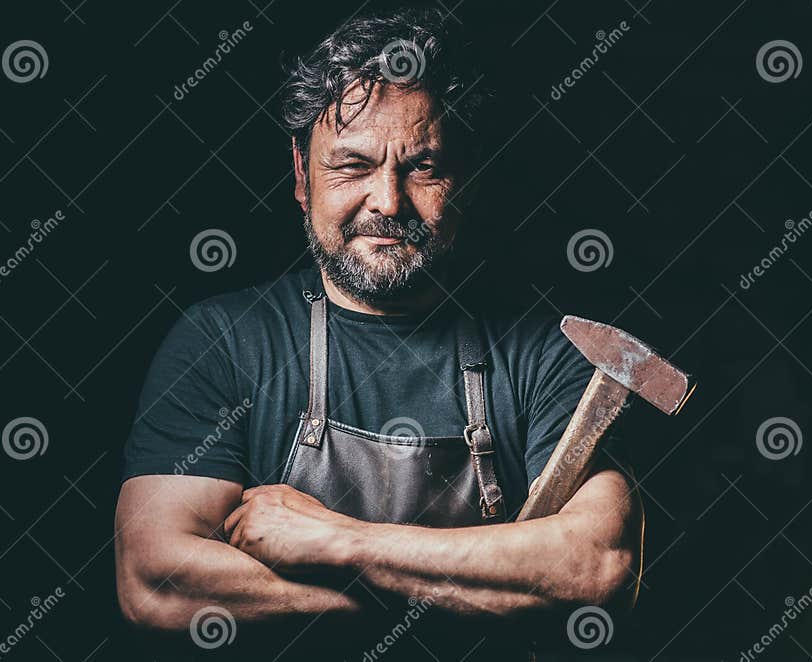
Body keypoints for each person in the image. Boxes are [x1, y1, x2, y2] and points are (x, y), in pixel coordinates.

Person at [114, 7, 642, 660]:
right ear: (302, 176)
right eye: (353, 166)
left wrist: (337, 540)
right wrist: (465, 599)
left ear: (465, 177)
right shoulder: (225, 342)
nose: (387, 202)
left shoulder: (545, 356)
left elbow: (597, 568)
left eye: (423, 166)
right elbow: (155, 580)